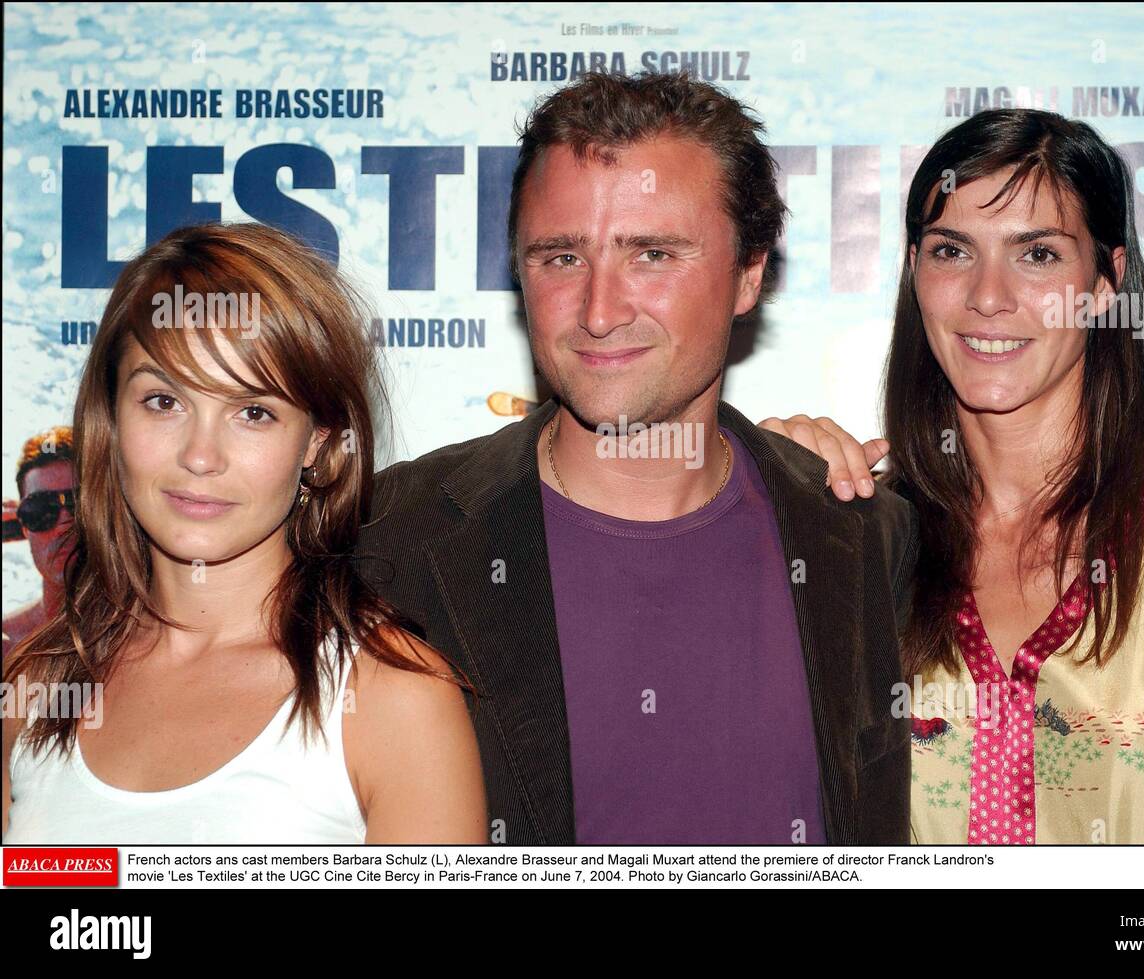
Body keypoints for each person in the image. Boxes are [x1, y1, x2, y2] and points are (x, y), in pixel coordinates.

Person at [357, 71, 918, 845]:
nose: (597, 310)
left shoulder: (864, 538)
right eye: (560, 258)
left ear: (749, 274)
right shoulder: (389, 542)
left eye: (651, 253)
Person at [877, 108, 1144, 844]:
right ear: (915, 271)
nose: (988, 295)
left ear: (1107, 281)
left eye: (1036, 255)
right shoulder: (869, 535)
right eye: (952, 251)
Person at [2, 223, 487, 845]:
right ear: (111, 420)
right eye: (163, 402)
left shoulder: (395, 698)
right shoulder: (37, 688)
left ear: (319, 441)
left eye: (253, 412)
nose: (201, 456)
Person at [2, 427, 76, 658]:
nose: (64, 523)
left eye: (79, 504)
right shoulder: (7, 648)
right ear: (24, 526)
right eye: (40, 510)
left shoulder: (157, 632)